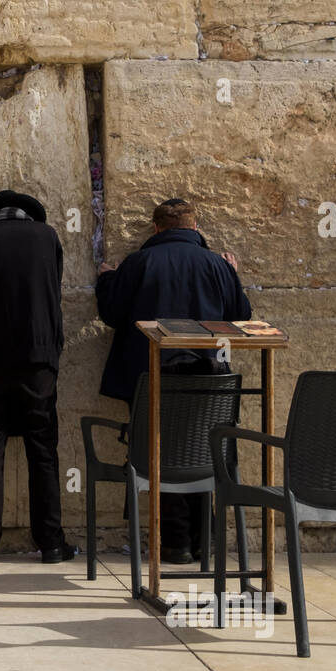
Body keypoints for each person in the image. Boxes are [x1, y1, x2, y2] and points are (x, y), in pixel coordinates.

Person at [95, 198, 252, 564]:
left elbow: (112, 314)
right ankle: (205, 541)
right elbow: (241, 317)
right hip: (208, 379)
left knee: (161, 452)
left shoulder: (138, 263)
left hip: (151, 377)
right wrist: (234, 277)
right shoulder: (217, 266)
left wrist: (106, 281)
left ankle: (175, 542)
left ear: (156, 228)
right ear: (195, 228)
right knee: (202, 452)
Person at [0, 189, 75, 565]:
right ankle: (51, 543)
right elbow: (54, 291)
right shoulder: (48, 236)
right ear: (28, 215)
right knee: (43, 450)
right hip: (39, 359)